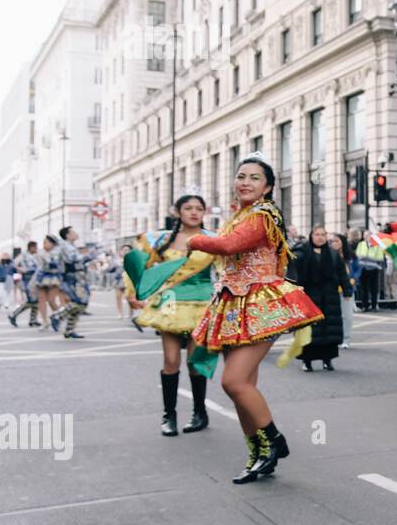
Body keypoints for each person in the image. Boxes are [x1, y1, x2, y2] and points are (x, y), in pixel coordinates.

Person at [188, 155, 324, 483]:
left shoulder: (263, 215)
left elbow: (228, 245)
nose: (245, 182)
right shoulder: (242, 215)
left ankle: (275, 442)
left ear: (268, 187)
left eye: (254, 177)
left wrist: (193, 238)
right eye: (241, 176)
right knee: (243, 386)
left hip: (262, 304)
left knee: (232, 381)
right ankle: (259, 454)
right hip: (234, 305)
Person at [125, 191, 216, 436]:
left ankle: (199, 412)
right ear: (177, 212)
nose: (194, 212)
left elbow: (229, 270)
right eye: (188, 208)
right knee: (171, 361)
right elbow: (136, 261)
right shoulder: (161, 240)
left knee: (195, 363)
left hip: (201, 304)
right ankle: (169, 415)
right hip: (171, 304)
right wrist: (132, 291)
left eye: (199, 208)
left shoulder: (214, 239)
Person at [289, 225, 351, 372]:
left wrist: (347, 290)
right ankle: (307, 361)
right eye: (317, 234)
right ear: (311, 236)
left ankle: (327, 360)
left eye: (323, 234)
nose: (320, 237)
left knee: (328, 331)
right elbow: (293, 273)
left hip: (329, 297)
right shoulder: (302, 252)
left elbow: (342, 273)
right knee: (308, 330)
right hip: (308, 296)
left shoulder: (333, 253)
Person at [53, 226, 91, 339]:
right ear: (68, 235)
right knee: (81, 301)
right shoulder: (66, 246)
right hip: (73, 276)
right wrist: (88, 256)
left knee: (78, 302)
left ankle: (69, 329)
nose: (75, 233)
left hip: (75, 276)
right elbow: (74, 259)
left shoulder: (68, 246)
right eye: (73, 232)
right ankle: (58, 316)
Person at [328, 232, 355, 349]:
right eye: (332, 241)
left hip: (346, 289)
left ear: (342, 242)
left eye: (337, 241)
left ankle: (346, 339)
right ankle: (334, 338)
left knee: (347, 316)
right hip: (332, 290)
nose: (334, 243)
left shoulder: (350, 257)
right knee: (333, 316)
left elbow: (357, 269)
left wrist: (353, 279)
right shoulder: (328, 256)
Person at [7, 242, 43, 328]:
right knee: (31, 300)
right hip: (27, 278)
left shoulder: (36, 255)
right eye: (35, 247)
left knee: (36, 300)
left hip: (35, 278)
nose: (36, 249)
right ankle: (13, 315)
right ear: (31, 247)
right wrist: (21, 269)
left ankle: (33, 320)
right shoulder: (23, 255)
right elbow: (13, 264)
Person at [355, 231, 384, 311]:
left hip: (373, 269)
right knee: (364, 289)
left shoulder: (377, 245)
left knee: (374, 288)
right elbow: (358, 255)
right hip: (363, 269)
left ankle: (374, 306)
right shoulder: (361, 244)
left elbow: (380, 257)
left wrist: (367, 257)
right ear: (364, 237)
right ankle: (365, 306)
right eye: (367, 236)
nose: (368, 237)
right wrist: (368, 257)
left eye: (370, 236)